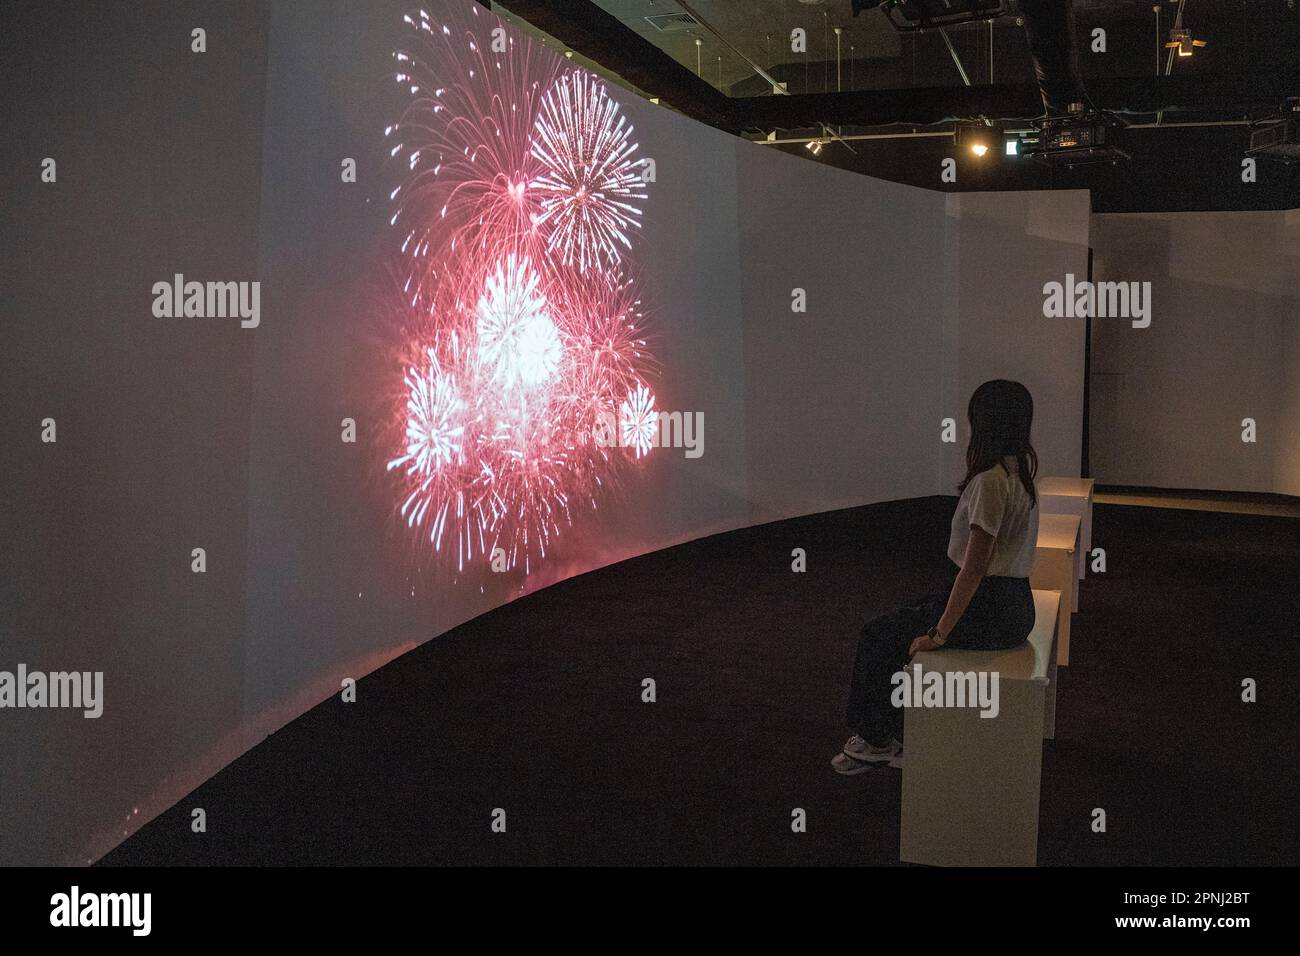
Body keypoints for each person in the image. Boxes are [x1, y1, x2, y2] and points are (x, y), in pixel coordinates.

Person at [832, 379, 1041, 774]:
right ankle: (891, 731)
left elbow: (975, 569)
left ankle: (877, 740)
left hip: (991, 608)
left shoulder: (990, 482)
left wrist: (940, 633)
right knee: (899, 621)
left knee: (879, 635)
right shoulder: (1020, 474)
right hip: (1015, 606)